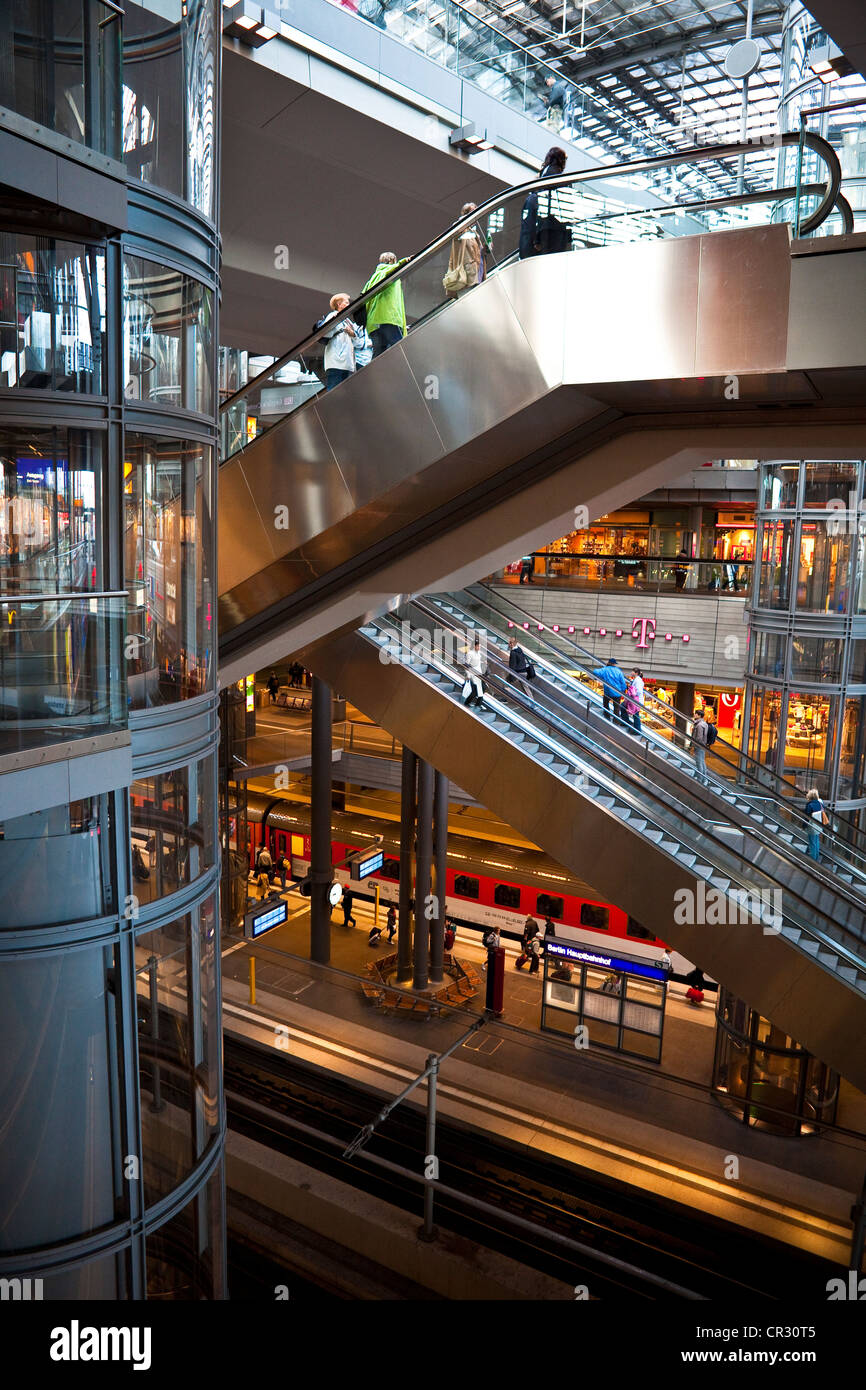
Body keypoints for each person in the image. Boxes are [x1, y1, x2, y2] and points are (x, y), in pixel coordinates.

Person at [519, 147, 570, 260]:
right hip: (555, 230)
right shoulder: (559, 178)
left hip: (546, 229)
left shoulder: (546, 174)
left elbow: (542, 206)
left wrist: (536, 238)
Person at [361, 251, 410, 358]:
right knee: (399, 349)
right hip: (388, 317)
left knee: (378, 355)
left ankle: (376, 374)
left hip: (373, 322)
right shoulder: (387, 271)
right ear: (392, 261)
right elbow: (391, 271)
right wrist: (404, 261)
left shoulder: (372, 278)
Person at [444, 203, 488, 298]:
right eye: (473, 212)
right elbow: (455, 230)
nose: (475, 215)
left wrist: (484, 249)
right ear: (466, 214)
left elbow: (476, 254)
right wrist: (464, 219)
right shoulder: (461, 228)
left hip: (478, 275)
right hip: (466, 277)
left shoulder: (474, 233)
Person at [321, 292, 356, 390]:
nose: (348, 305)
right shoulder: (333, 316)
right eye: (346, 302)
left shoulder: (348, 320)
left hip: (347, 363)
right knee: (334, 389)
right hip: (336, 361)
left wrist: (351, 333)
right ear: (339, 304)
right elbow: (325, 332)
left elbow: (358, 339)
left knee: (343, 391)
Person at [593, 656, 629, 724]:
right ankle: (616, 721)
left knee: (606, 704)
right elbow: (623, 683)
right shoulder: (618, 671)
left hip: (608, 692)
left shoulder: (605, 669)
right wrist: (623, 691)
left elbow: (595, 671)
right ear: (614, 664)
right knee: (616, 708)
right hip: (617, 693)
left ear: (609, 663)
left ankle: (607, 717)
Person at [462, 632, 486, 708]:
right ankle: (468, 702)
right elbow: (466, 665)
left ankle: (478, 704)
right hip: (472, 674)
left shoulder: (478, 653)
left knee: (482, 688)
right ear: (474, 646)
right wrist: (468, 675)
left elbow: (477, 662)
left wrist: (483, 662)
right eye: (478, 646)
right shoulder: (470, 653)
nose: (479, 647)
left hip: (479, 673)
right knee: (476, 690)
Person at [804, 786, 828, 862]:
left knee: (812, 842)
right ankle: (816, 856)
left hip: (812, 826)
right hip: (818, 826)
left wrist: (804, 826)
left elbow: (807, 817)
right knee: (816, 841)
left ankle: (813, 860)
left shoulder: (810, 805)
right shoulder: (820, 803)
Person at [691, 708, 709, 783]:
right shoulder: (704, 724)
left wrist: (694, 745)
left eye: (696, 713)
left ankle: (700, 779)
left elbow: (698, 738)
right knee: (702, 762)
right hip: (703, 745)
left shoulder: (699, 725)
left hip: (698, 746)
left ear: (699, 715)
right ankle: (704, 778)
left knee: (699, 763)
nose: (694, 715)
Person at [624, 667, 644, 734]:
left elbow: (639, 691)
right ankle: (634, 728)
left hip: (636, 700)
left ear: (636, 673)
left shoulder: (638, 680)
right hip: (634, 700)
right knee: (635, 715)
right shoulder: (636, 680)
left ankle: (637, 730)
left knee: (635, 715)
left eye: (632, 671)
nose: (631, 673)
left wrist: (633, 694)